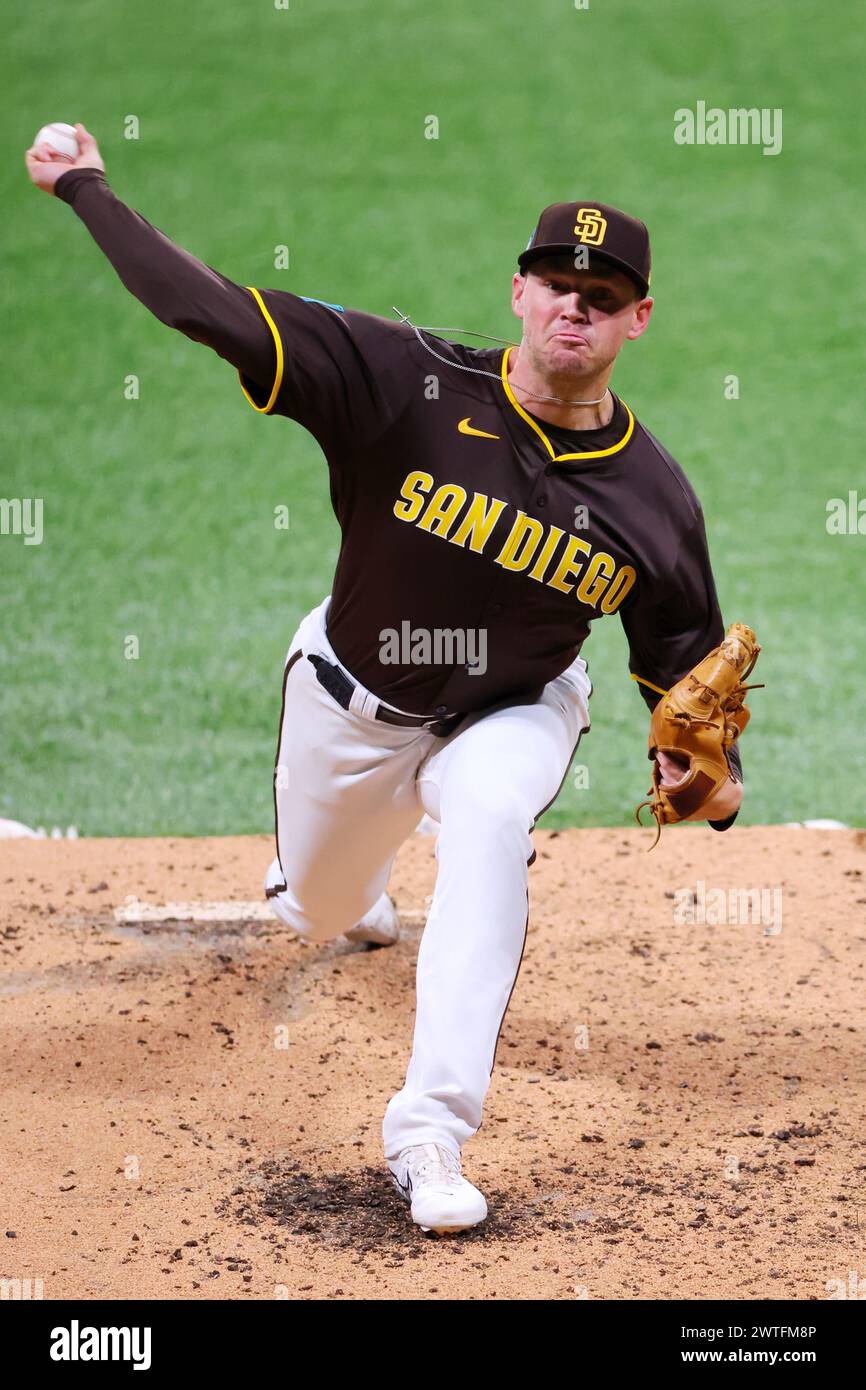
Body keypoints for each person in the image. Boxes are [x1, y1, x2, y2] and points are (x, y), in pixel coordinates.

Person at [26, 125, 743, 1235]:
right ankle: (350, 897)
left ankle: (429, 1131)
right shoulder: (396, 379)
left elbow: (680, 666)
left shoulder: (654, 502)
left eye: (600, 298)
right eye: (556, 285)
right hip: (346, 706)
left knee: (494, 814)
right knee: (316, 905)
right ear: (516, 291)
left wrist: (705, 769)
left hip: (510, 711)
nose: (574, 310)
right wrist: (84, 187)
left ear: (635, 319)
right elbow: (209, 306)